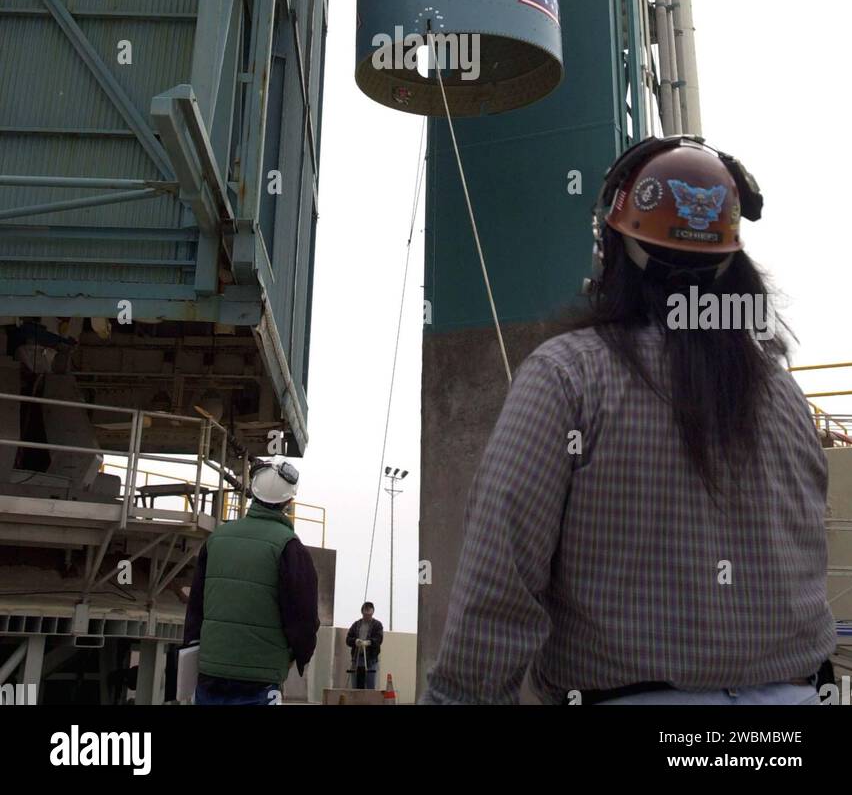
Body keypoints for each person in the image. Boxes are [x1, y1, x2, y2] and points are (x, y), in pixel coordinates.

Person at [421, 136, 836, 706]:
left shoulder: (569, 376)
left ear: (613, 249)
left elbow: (500, 585)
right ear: (729, 262)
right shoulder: (784, 396)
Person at [183, 457, 319, 705]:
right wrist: (298, 656)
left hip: (210, 674)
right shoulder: (290, 548)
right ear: (289, 501)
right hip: (261, 678)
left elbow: (195, 608)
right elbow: (303, 619)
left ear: (253, 495)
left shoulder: (217, 538)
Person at [346, 602, 383, 689]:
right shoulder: (356, 625)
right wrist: (355, 641)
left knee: (370, 685)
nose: (367, 615)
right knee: (356, 685)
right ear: (362, 612)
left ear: (373, 612)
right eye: (365, 611)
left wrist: (369, 642)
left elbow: (379, 639)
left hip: (371, 660)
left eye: (369, 612)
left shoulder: (377, 625)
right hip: (357, 659)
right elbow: (348, 639)